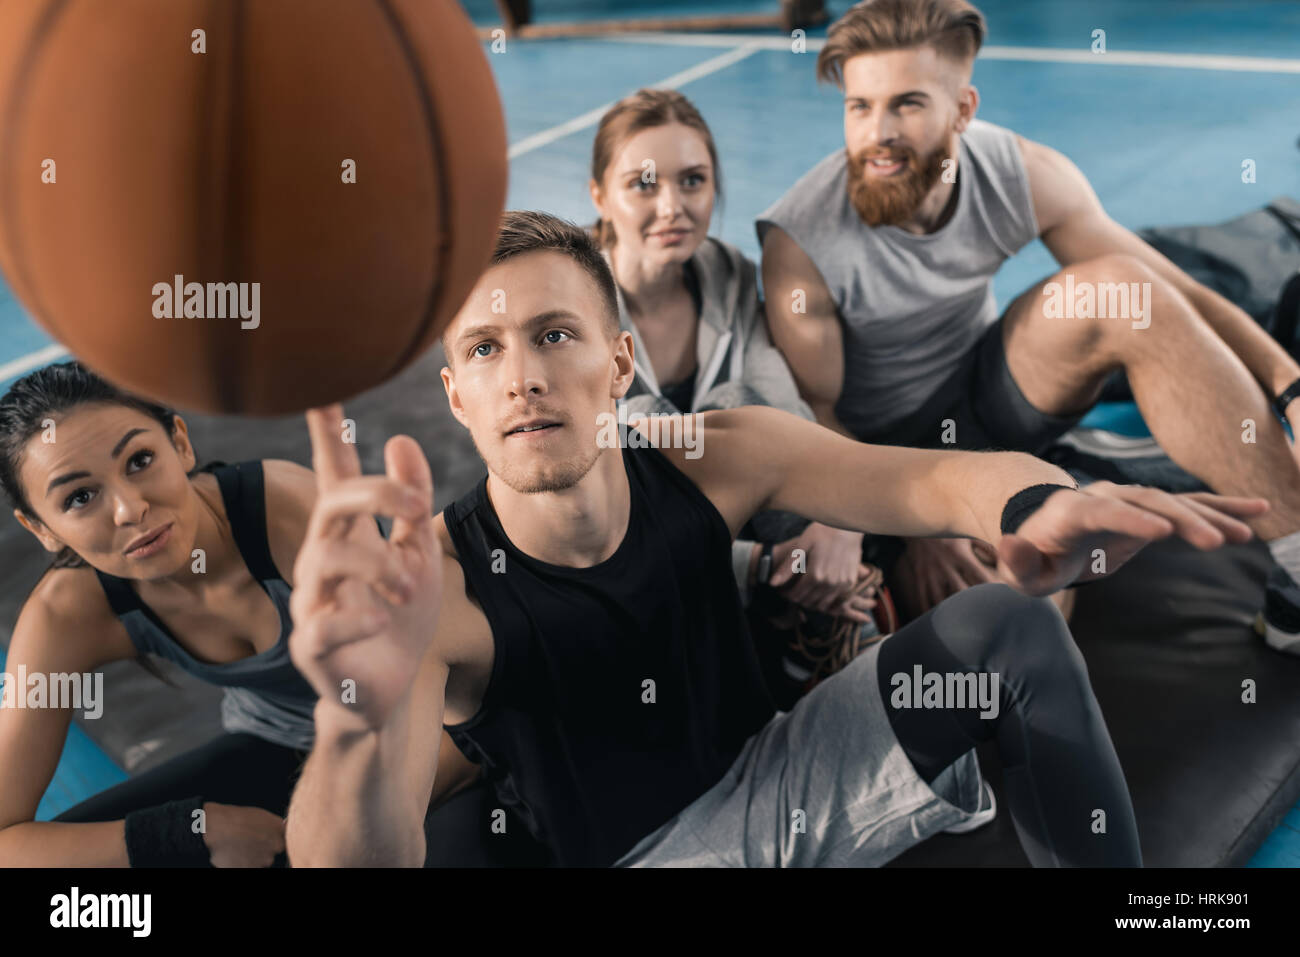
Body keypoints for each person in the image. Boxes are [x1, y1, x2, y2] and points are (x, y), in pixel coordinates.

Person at [281, 211, 1265, 867]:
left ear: (618, 363)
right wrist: (354, 714)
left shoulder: (711, 453)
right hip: (652, 857)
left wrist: (1033, 506)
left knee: (1008, 627)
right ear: (455, 393)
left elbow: (927, 476)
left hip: (789, 769)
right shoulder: (438, 588)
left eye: (553, 334)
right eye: (484, 350)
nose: (521, 377)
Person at [757, 0, 1300, 649]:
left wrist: (1289, 381)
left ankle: (1298, 565)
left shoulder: (1020, 172)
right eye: (859, 107)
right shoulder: (802, 243)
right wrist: (919, 522)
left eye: (907, 104)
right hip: (877, 459)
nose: (879, 133)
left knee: (1121, 286)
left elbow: (1169, 289)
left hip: (990, 399)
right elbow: (817, 421)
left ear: (963, 109)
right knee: (1019, 608)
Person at [0, 361, 482, 866]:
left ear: (180, 444)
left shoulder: (290, 513)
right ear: (41, 529)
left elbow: (449, 711)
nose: (129, 508)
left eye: (140, 461)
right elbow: (8, 836)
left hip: (431, 733)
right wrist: (183, 834)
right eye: (79, 497)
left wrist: (319, 838)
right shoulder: (66, 613)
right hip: (276, 745)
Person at [588, 87, 876, 631]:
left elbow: (784, 414)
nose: (672, 206)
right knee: (648, 427)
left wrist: (842, 519)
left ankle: (823, 632)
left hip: (729, 537)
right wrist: (763, 565)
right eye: (643, 184)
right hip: (618, 561)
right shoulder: (566, 299)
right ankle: (786, 613)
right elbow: (577, 501)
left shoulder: (730, 275)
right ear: (600, 195)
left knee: (741, 409)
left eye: (692, 180)